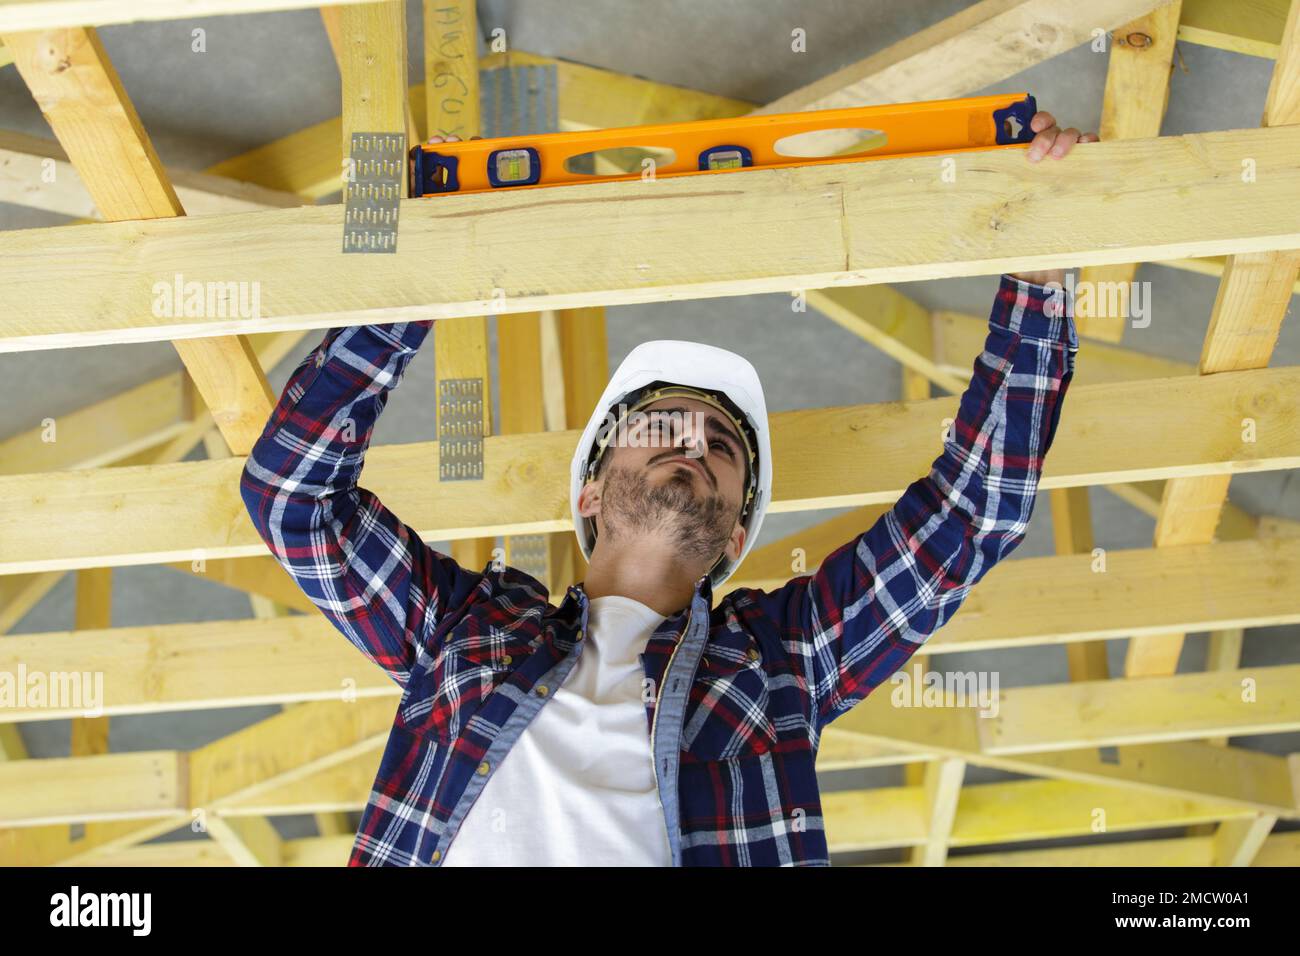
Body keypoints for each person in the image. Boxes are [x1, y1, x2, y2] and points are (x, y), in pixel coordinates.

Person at [239, 111, 1092, 866]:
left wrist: (1041, 267)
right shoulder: (468, 634)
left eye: (720, 444)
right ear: (588, 495)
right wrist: (418, 275)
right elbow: (290, 496)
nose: (693, 444)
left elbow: (968, 515)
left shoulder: (780, 663)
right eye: (662, 429)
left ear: (734, 538)